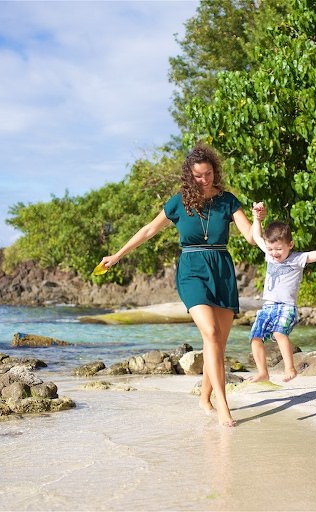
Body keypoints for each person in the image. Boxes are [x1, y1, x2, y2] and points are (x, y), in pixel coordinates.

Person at [99, 143, 257, 427]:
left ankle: (204, 398)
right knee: (209, 332)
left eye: (208, 173)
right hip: (192, 269)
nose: (204, 179)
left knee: (218, 342)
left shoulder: (228, 200)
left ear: (214, 171)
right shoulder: (178, 202)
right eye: (197, 175)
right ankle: (223, 405)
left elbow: (248, 236)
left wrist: (258, 220)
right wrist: (118, 254)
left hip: (221, 269)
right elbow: (148, 230)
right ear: (189, 175)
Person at [247, 209, 316, 383]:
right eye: (270, 249)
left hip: (286, 306)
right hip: (268, 306)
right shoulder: (269, 256)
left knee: (279, 333)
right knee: (255, 337)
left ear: (290, 244)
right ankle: (263, 372)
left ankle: (290, 368)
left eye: (278, 248)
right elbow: (257, 237)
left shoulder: (298, 258)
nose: (274, 253)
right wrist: (257, 219)